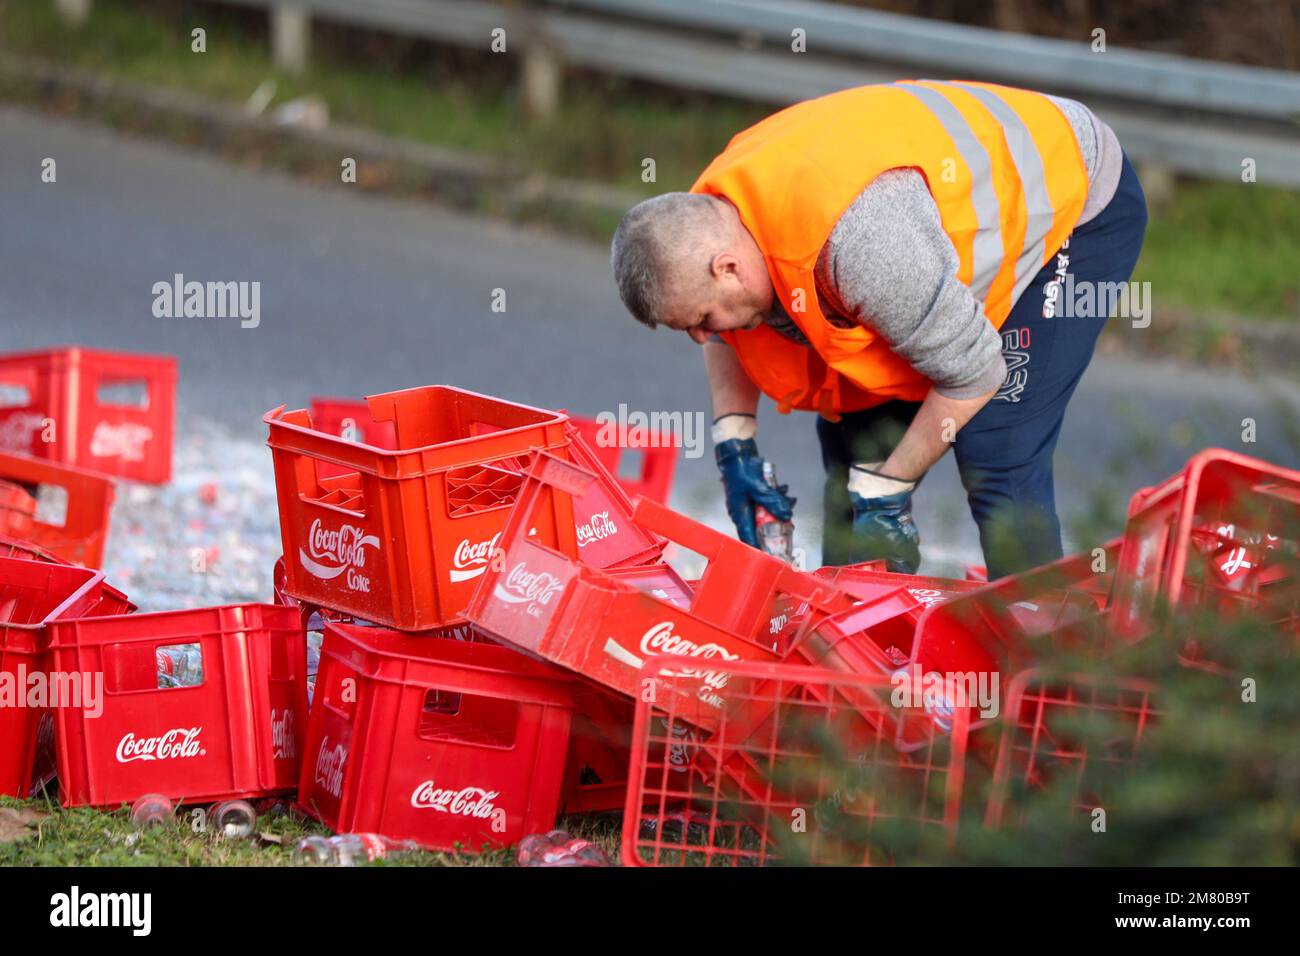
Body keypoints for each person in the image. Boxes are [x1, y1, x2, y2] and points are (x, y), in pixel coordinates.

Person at [609, 79, 1148, 578]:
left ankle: (1041, 654)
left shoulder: (862, 247)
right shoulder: (712, 220)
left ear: (727, 268)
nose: (706, 337)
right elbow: (732, 332)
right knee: (858, 443)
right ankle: (852, 657)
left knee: (998, 448)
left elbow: (977, 373)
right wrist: (735, 444)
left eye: (702, 321)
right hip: (908, 246)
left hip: (1071, 201)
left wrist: (888, 493)